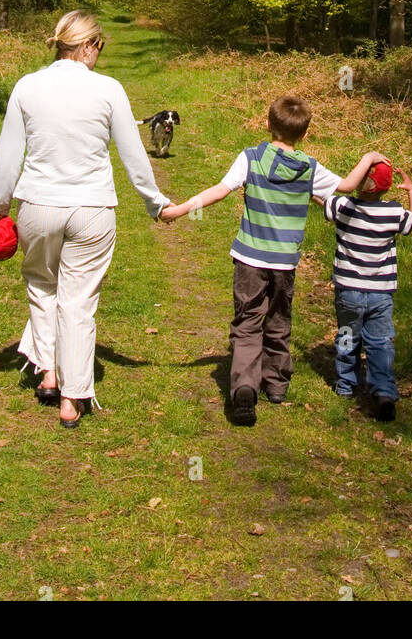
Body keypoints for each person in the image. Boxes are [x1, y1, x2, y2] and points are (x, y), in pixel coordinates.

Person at [0, 10, 170, 428]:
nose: (99, 55)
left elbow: (8, 155)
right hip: (92, 209)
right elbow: (132, 154)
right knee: (79, 300)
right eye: (99, 47)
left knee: (42, 286)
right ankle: (72, 397)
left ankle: (49, 372)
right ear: (88, 46)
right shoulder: (108, 90)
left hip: (39, 205)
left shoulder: (27, 87)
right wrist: (153, 202)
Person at [160, 93, 388, 426]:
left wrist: (180, 209)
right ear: (305, 134)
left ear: (267, 124)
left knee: (248, 320)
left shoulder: (251, 157)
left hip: (250, 259)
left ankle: (244, 387)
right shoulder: (310, 168)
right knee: (279, 321)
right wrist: (368, 156)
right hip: (285, 262)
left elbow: (220, 190)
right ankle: (277, 384)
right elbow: (348, 185)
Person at [321, 160, 412, 421]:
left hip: (348, 292)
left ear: (357, 183)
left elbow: (320, 198)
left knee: (347, 336)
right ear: (387, 187)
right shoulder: (393, 214)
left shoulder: (343, 207)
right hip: (380, 293)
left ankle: (345, 385)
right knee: (380, 342)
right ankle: (384, 391)